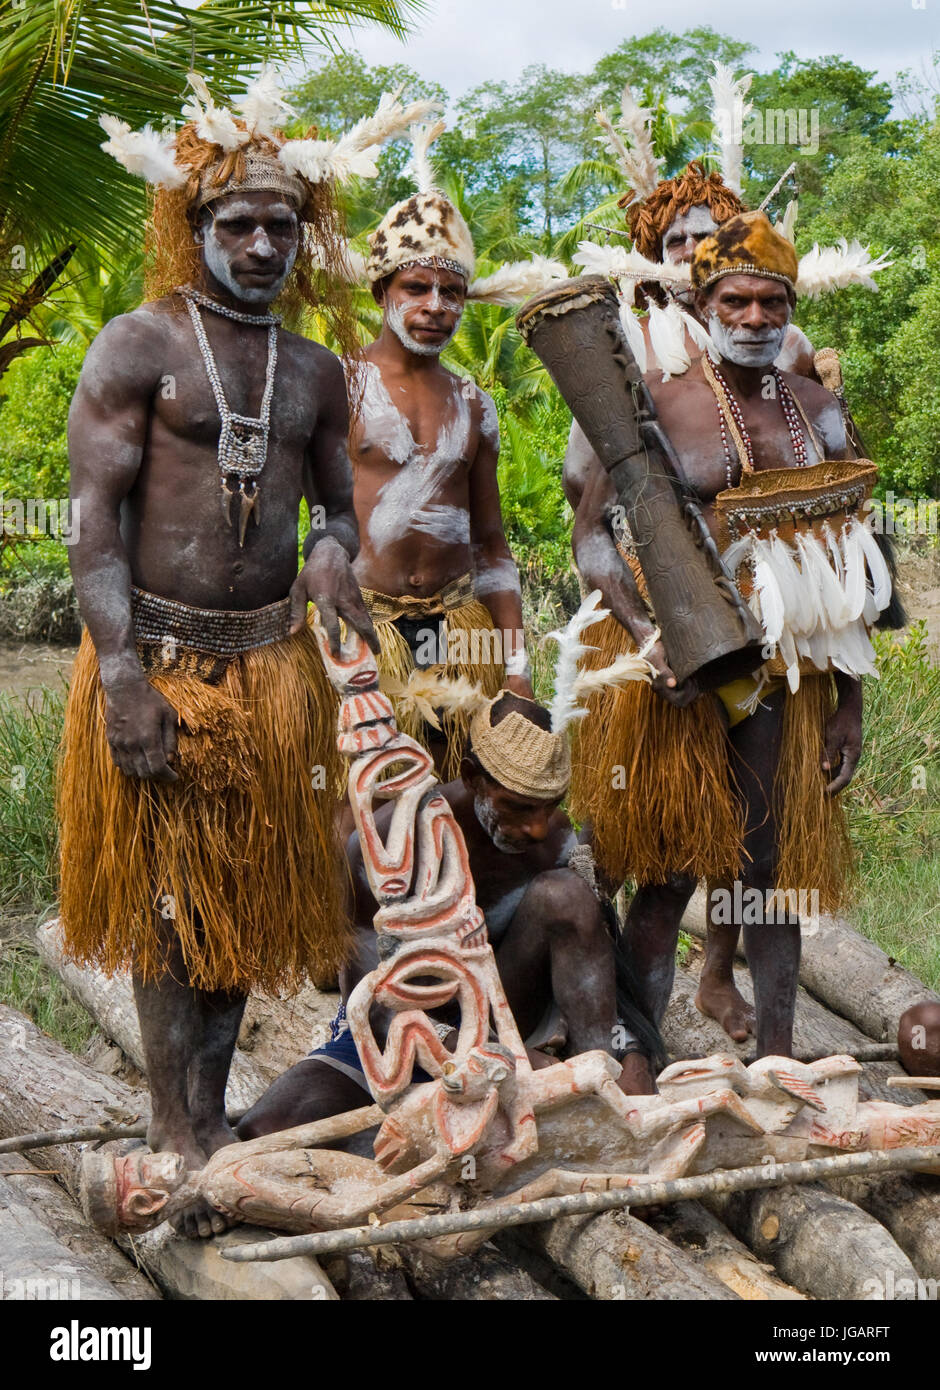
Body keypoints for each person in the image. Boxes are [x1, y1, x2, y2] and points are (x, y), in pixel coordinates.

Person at [57, 75, 430, 1228]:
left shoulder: (316, 371)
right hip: (157, 661)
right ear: (196, 227)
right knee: (168, 906)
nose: (263, 244)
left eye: (280, 225)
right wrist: (120, 670)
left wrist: (330, 557)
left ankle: (210, 1117)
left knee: (240, 909)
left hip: (271, 670)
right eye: (238, 225)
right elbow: (91, 525)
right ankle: (171, 1125)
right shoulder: (137, 347)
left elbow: (330, 511)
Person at [570, 212, 895, 1072]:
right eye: (736, 300)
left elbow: (860, 565)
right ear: (703, 302)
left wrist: (851, 701)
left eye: (771, 302)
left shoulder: (820, 413)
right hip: (674, 670)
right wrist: (648, 636)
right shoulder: (655, 405)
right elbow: (592, 539)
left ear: (791, 308)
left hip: (789, 676)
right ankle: (634, 1055)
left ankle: (780, 1064)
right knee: (669, 865)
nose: (755, 319)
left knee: (769, 868)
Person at [238, 690, 664, 1139]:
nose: (537, 826)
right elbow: (372, 1003)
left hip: (508, 1022)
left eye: (551, 803)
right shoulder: (385, 844)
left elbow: (600, 967)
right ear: (472, 777)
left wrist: (628, 1053)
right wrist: (473, 1056)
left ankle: (596, 1093)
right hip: (402, 1038)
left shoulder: (555, 844)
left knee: (569, 895)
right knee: (264, 1131)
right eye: (519, 806)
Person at [346, 121, 566, 777]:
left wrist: (517, 667)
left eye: (453, 293)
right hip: (364, 628)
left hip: (455, 628)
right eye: (417, 288)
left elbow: (492, 546)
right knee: (364, 801)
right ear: (382, 293)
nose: (437, 306)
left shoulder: (474, 404)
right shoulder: (338, 386)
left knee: (457, 791)